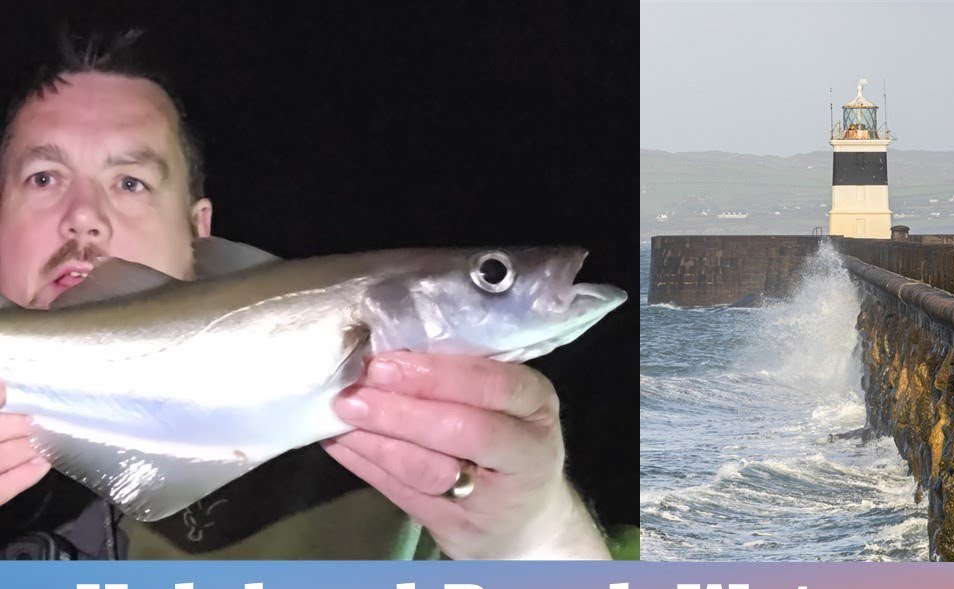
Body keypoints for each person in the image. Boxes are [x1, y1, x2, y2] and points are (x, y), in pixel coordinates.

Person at [0, 30, 619, 560]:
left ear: (200, 228)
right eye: (44, 177)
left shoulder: (398, 489)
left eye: (130, 181)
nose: (85, 218)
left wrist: (536, 536)